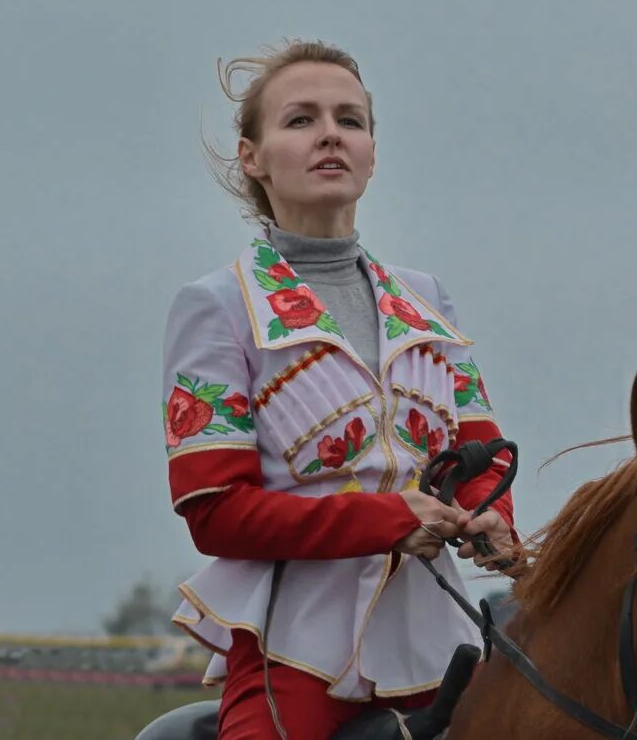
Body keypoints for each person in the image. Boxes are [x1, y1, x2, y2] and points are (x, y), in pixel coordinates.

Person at [161, 40, 519, 740]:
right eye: (300, 120)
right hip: (293, 650)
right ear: (252, 157)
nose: (330, 133)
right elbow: (217, 512)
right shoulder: (215, 305)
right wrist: (388, 519)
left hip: (442, 636)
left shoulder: (427, 297)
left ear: (372, 153)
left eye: (350, 120)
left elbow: (482, 453)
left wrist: (491, 516)